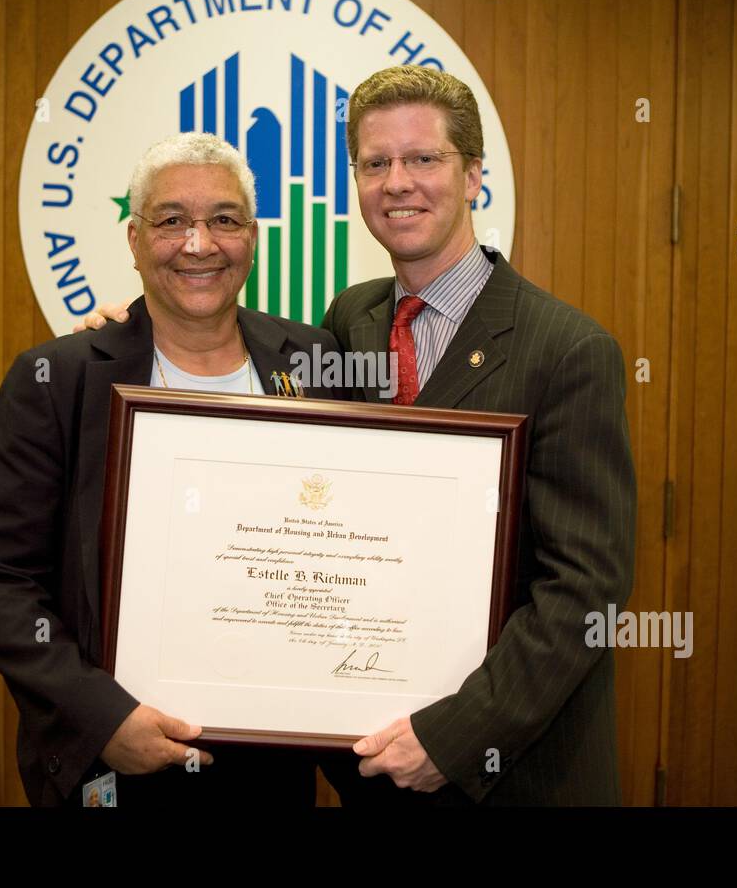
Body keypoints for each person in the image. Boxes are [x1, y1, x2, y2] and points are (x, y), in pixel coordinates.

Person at [82, 66, 637, 806]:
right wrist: (143, 325)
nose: (397, 182)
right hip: (373, 771)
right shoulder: (354, 319)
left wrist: (455, 736)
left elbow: (586, 593)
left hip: (509, 771)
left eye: (424, 159)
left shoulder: (567, 350)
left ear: (473, 175)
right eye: (375, 163)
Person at [0, 132, 344, 806]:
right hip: (119, 763)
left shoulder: (315, 361)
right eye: (170, 221)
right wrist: (101, 718)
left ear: (252, 238)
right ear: (133, 239)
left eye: (224, 219)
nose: (199, 244)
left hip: (274, 764)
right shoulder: (58, 381)